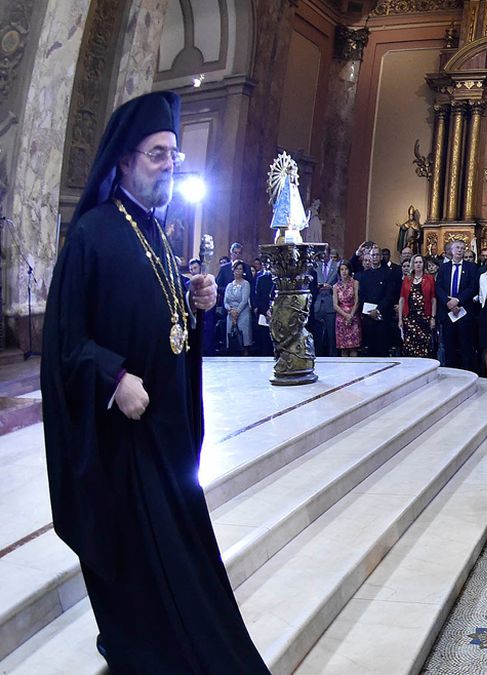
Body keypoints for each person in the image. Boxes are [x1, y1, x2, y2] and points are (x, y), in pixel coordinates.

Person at [40, 91, 268, 672]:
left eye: (174, 154)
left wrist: (197, 304)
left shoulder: (157, 236)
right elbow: (66, 342)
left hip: (164, 439)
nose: (170, 164)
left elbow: (162, 326)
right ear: (123, 160)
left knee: (182, 569)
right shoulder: (92, 235)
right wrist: (114, 378)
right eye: (157, 154)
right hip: (122, 447)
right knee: (147, 572)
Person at [436, 240, 481, 369]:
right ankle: (450, 374)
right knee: (449, 347)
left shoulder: (471, 267)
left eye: (462, 248)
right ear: (451, 250)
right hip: (447, 312)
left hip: (464, 312)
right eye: (457, 248)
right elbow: (438, 287)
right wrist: (448, 302)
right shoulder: (444, 267)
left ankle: (467, 374)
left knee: (466, 347)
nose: (460, 250)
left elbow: (473, 288)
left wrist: (458, 301)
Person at [356, 243, 394, 357]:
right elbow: (361, 295)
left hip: (382, 316)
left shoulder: (388, 273)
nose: (375, 257)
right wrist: (368, 312)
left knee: (382, 350)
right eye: (373, 255)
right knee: (369, 351)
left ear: (381, 257)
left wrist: (378, 310)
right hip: (368, 317)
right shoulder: (364, 275)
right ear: (369, 257)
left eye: (377, 255)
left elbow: (389, 295)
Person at [400, 254, 436, 358]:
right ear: (413, 264)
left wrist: (432, 317)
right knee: (409, 346)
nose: (418, 264)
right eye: (416, 262)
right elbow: (402, 299)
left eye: (420, 262)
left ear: (423, 264)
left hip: (424, 317)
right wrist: (400, 320)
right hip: (409, 317)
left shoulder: (429, 278)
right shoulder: (407, 279)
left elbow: (433, 299)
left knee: (424, 345)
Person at [312, 249, 339, 357]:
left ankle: (333, 357)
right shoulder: (316, 266)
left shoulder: (336, 266)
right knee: (317, 334)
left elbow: (340, 284)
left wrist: (331, 287)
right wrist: (317, 286)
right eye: (321, 254)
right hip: (318, 304)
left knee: (331, 335)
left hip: (330, 303)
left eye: (325, 254)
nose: (323, 256)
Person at [224, 260, 252, 355]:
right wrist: (230, 310)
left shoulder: (246, 284)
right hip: (230, 313)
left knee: (243, 339)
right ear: (233, 270)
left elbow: (244, 301)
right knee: (232, 337)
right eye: (236, 269)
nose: (238, 271)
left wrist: (237, 312)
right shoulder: (229, 285)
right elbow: (225, 301)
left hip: (243, 312)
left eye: (240, 269)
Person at [335, 261, 362, 357]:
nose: (344, 271)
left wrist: (351, 315)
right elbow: (335, 305)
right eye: (342, 269)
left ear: (349, 270)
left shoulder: (355, 283)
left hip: (353, 316)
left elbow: (357, 301)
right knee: (343, 348)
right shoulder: (336, 286)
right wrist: (346, 315)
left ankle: (354, 370)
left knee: (353, 347)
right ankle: (344, 371)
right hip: (341, 318)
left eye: (346, 269)